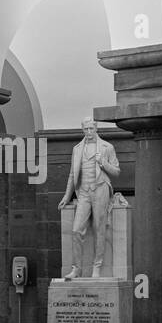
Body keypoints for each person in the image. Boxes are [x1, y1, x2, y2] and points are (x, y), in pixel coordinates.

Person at [58, 118, 120, 279]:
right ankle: (76, 269)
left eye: (91, 128)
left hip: (100, 188)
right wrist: (67, 195)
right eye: (86, 129)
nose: (89, 132)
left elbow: (116, 171)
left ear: (96, 128)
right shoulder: (77, 149)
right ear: (82, 130)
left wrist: (103, 163)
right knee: (76, 230)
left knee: (99, 229)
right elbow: (72, 174)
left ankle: (97, 267)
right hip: (84, 192)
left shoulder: (107, 147)